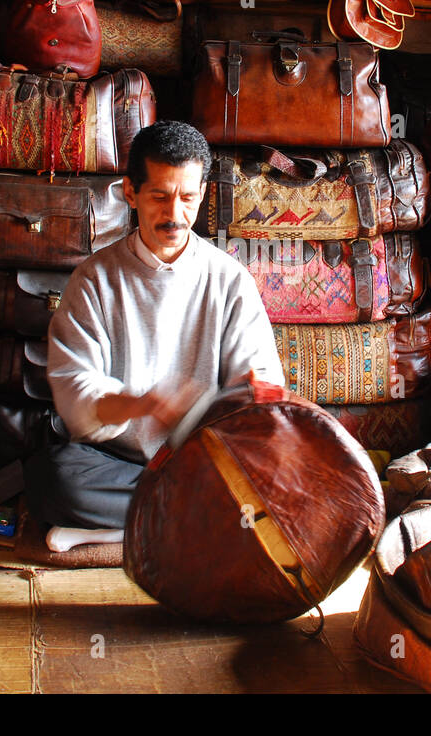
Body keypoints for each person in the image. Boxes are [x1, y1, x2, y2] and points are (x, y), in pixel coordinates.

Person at [33, 120, 285, 552]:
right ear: (130, 193)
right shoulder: (93, 280)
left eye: (187, 198)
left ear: (202, 193)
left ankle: (135, 526)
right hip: (120, 463)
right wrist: (141, 404)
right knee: (57, 477)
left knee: (276, 473)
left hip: (203, 462)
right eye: (159, 197)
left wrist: (240, 404)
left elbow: (261, 384)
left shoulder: (229, 280)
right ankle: (196, 521)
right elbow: (76, 392)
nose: (174, 215)